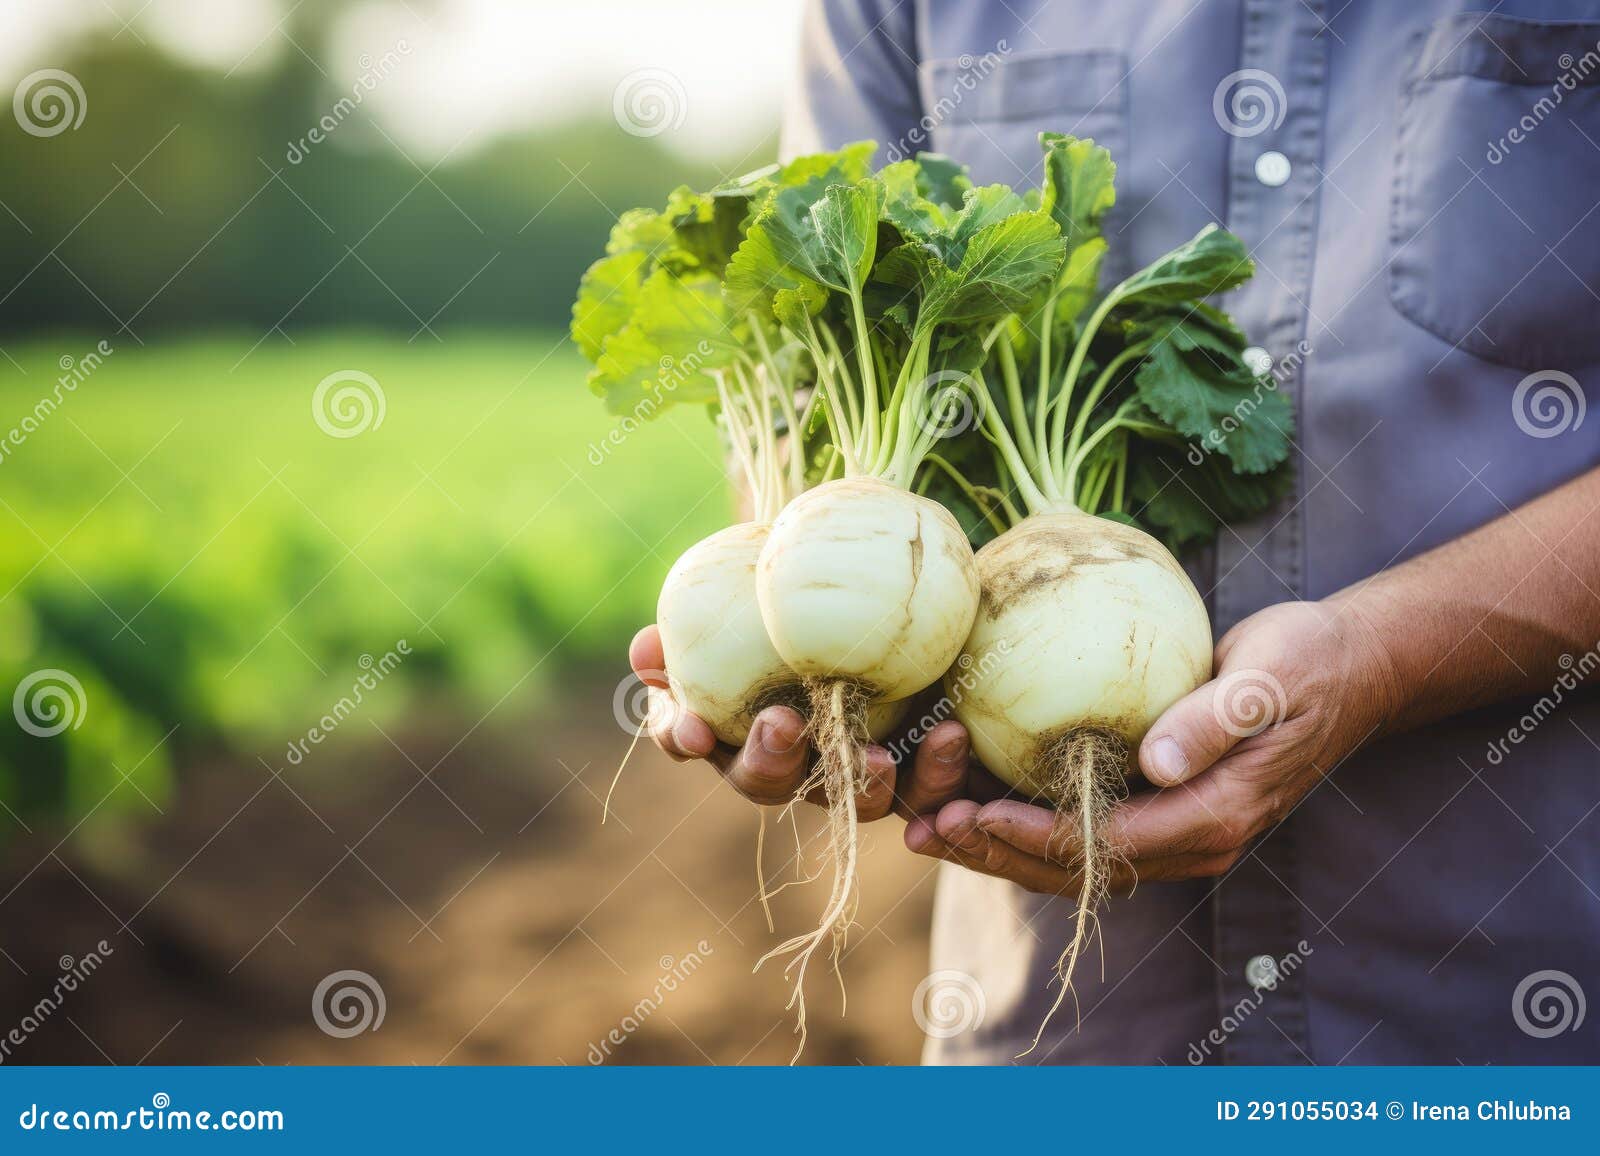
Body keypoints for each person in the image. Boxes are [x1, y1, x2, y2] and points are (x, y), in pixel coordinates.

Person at [631, 0, 1600, 1063]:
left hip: (1509, 991)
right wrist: (854, 681)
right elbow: (806, 332)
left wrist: (1382, 659)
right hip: (1062, 1026)